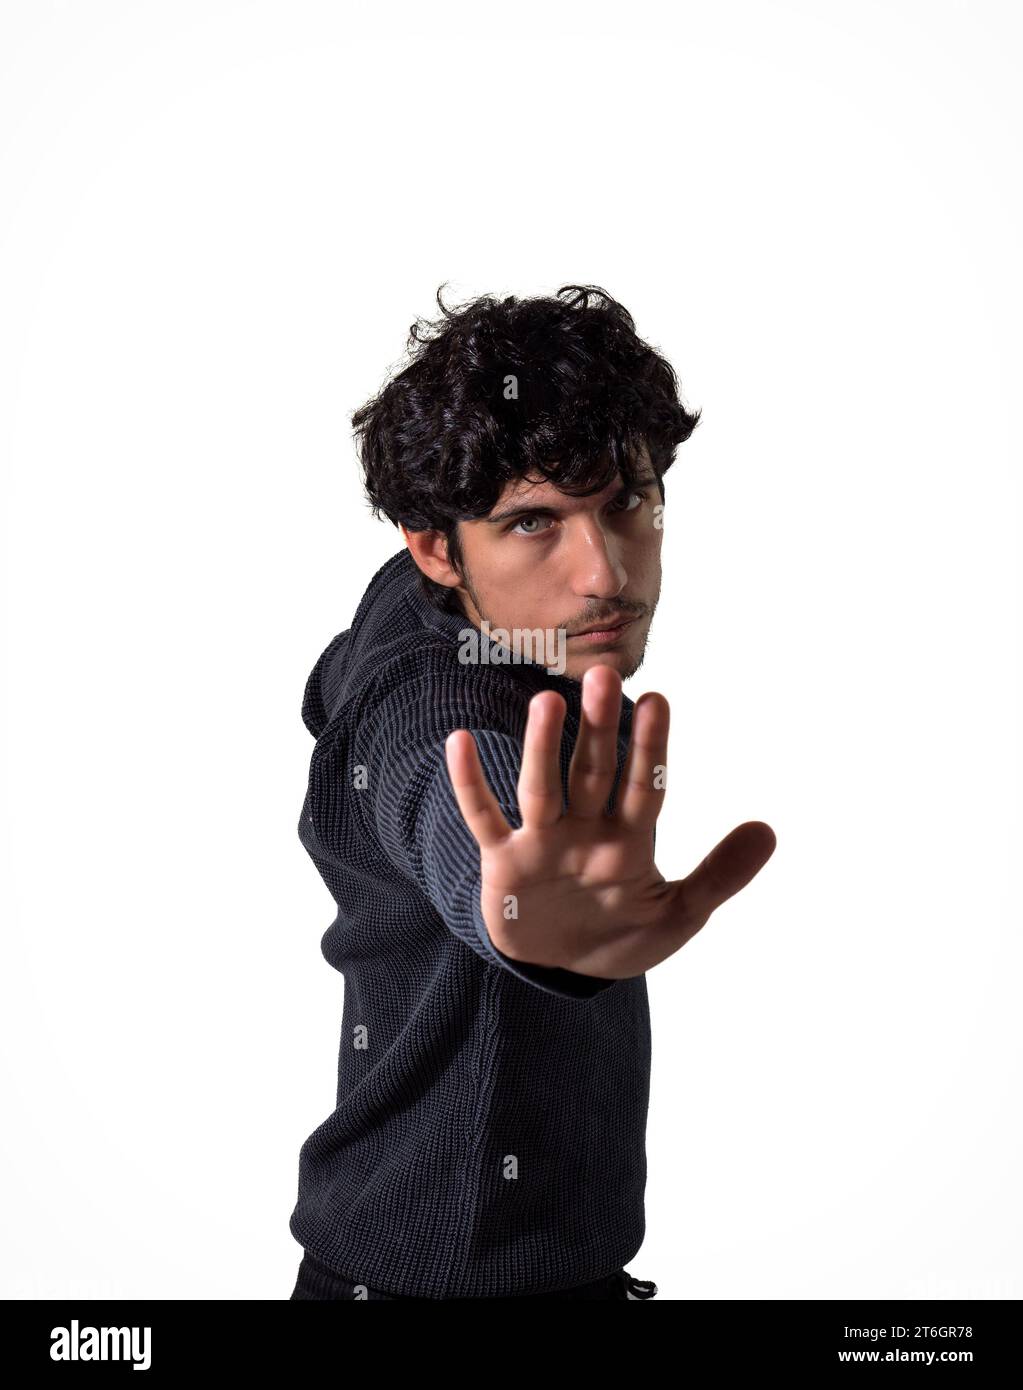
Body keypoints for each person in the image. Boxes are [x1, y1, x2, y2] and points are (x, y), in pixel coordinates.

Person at [288, 284, 776, 1300]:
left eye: (626, 503)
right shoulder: (446, 698)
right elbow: (446, 773)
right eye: (533, 524)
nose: (604, 572)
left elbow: (342, 673)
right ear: (435, 545)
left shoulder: (418, 600)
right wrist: (527, 917)